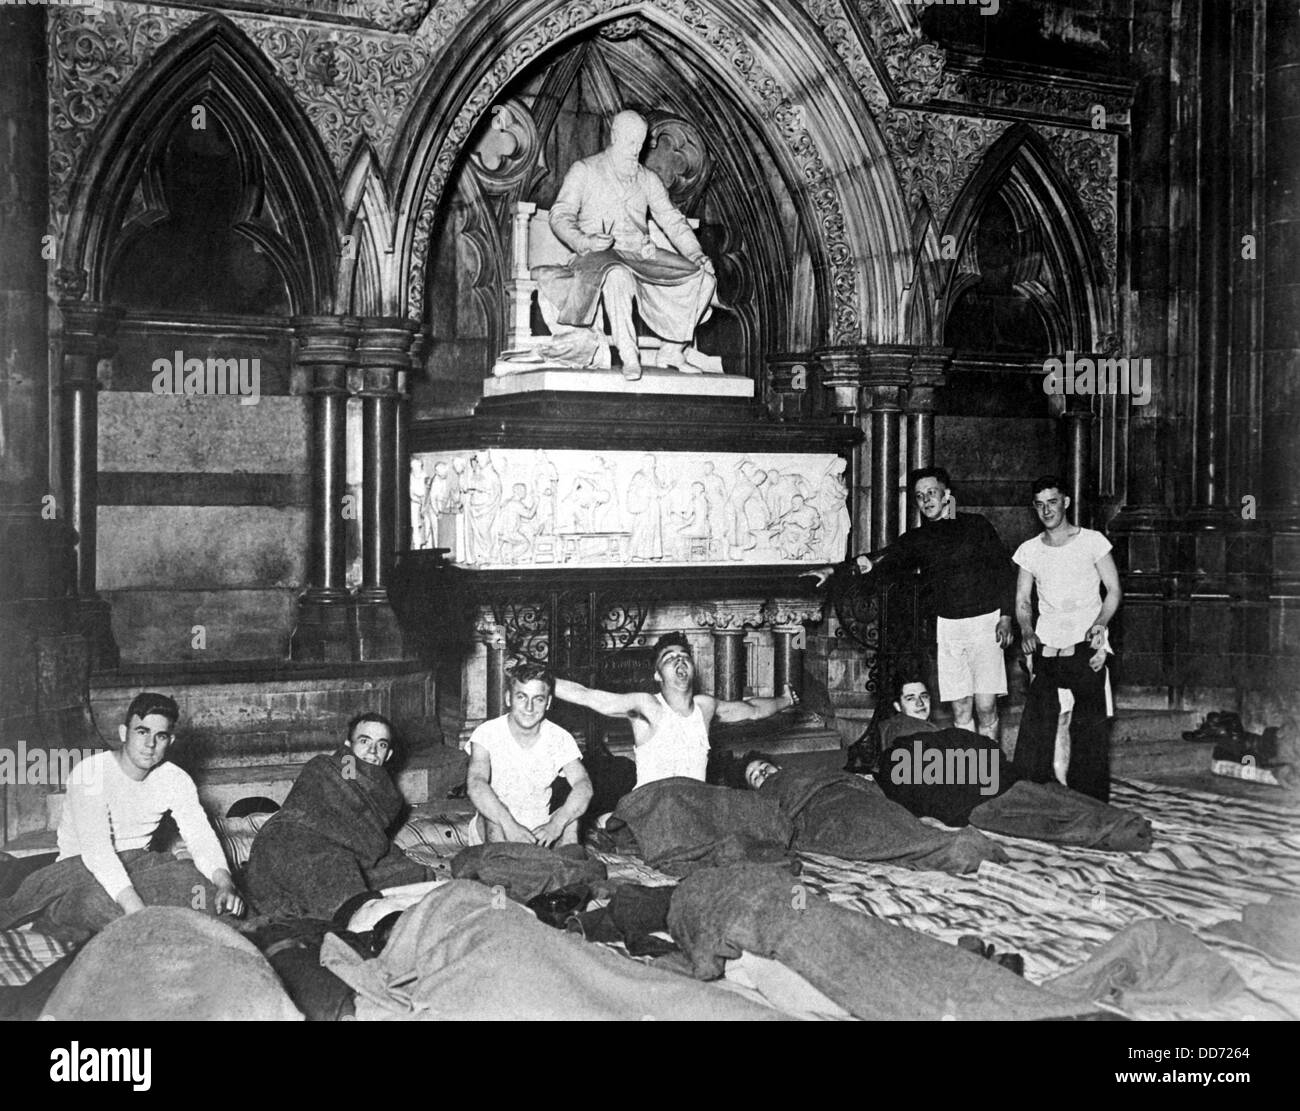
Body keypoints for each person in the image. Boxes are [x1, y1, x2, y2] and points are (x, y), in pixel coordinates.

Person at [0, 692, 242, 945]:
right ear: (124, 733)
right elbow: (98, 853)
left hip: (140, 868)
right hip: (80, 873)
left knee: (197, 881)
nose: (150, 744)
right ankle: (163, 939)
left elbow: (200, 836)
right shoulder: (91, 774)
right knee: (93, 903)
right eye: (142, 731)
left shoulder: (175, 779)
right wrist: (138, 913)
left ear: (170, 740)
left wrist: (225, 884)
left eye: (159, 736)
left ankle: (207, 932)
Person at [804, 465, 1015, 739]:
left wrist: (1006, 616)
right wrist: (835, 570)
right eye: (919, 496)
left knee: (986, 708)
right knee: (961, 710)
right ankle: (973, 775)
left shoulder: (977, 526)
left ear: (946, 495)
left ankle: (992, 773)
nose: (926, 500)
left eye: (931, 492)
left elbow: (1003, 571)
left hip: (986, 624)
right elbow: (878, 559)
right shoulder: (918, 538)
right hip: (948, 629)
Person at [856, 670, 1149, 850]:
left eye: (924, 696)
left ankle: (1120, 825)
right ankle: (1120, 828)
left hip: (979, 785)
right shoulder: (900, 731)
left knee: (1048, 805)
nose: (920, 704)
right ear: (896, 706)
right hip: (974, 799)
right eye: (910, 699)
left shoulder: (919, 731)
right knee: (1047, 814)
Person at [536, 110, 717, 381]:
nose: (635, 150)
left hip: (641, 254)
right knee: (617, 277)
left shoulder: (648, 179)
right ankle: (629, 356)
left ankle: (672, 351)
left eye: (640, 143)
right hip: (597, 256)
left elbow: (672, 221)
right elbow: (560, 216)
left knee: (704, 279)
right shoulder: (585, 170)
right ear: (614, 136)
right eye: (630, 142)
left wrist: (696, 254)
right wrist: (585, 241)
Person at [245, 712, 432, 919]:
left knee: (412, 874)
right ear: (348, 745)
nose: (372, 750)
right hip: (294, 839)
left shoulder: (389, 795)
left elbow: (370, 840)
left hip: (344, 852)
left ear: (388, 755)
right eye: (364, 741)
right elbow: (331, 800)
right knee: (332, 867)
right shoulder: (326, 768)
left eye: (381, 745)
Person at [555, 631, 797, 791]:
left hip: (694, 806)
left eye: (684, 657)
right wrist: (542, 681)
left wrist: (786, 701)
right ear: (657, 675)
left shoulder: (705, 707)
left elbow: (753, 709)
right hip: (656, 805)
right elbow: (587, 696)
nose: (679, 661)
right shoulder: (647, 705)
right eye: (670, 659)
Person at [1011, 475, 1123, 801]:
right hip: (1047, 646)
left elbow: (1113, 590)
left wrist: (1101, 625)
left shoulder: (1092, 541)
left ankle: (1088, 799)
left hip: (1086, 644)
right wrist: (1027, 630)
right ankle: (1032, 797)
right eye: (1040, 504)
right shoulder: (1029, 550)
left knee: (1089, 725)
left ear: (1066, 502)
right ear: (1035, 508)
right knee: (1038, 724)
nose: (1047, 510)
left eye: (1053, 502)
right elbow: (1021, 601)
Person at [728, 750, 1006, 875]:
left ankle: (949, 846)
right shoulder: (766, 798)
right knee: (876, 838)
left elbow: (842, 777)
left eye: (765, 767)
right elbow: (777, 827)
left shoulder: (803, 772)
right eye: (756, 777)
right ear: (755, 790)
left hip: (849, 797)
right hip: (823, 817)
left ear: (778, 767)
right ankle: (954, 849)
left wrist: (863, 787)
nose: (763, 773)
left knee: (892, 822)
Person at [466, 665, 593, 847]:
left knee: (571, 820)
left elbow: (584, 785)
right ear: (509, 698)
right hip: (498, 824)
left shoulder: (559, 737)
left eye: (538, 699)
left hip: (539, 828)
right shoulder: (487, 733)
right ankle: (500, 869)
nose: (529, 707)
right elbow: (476, 783)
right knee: (492, 817)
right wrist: (509, 825)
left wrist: (556, 824)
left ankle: (566, 868)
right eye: (521, 697)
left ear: (548, 703)